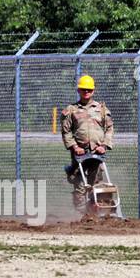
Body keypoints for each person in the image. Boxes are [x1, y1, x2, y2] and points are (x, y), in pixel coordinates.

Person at [60, 74, 114, 212]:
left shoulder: (101, 109)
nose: (86, 92)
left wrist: (104, 145)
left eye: (89, 90)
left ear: (93, 91)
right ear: (79, 90)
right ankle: (82, 214)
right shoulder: (71, 110)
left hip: (97, 153)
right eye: (83, 89)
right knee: (80, 187)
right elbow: (66, 132)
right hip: (80, 154)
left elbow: (109, 129)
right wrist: (74, 147)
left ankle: (99, 212)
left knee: (97, 184)